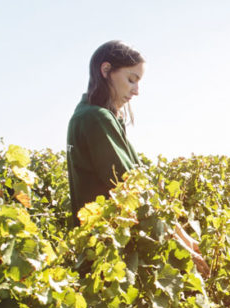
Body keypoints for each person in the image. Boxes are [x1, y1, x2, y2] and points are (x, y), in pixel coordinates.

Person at [66, 40, 208, 276]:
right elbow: (134, 191)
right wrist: (183, 247)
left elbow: (141, 187)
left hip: (103, 249)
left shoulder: (92, 115)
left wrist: (185, 238)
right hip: (111, 252)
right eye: (131, 80)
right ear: (106, 71)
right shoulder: (95, 119)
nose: (136, 90)